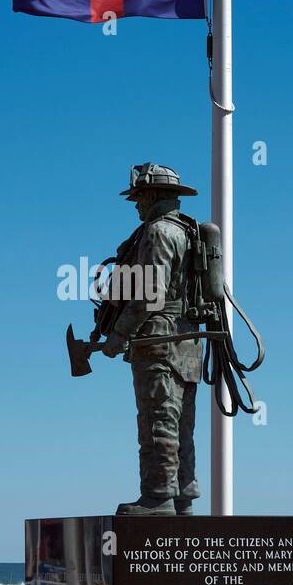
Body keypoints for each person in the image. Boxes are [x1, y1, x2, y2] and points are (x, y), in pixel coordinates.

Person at [101, 163, 202, 517]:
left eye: (140, 197)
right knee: (180, 422)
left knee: (157, 417)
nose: (136, 206)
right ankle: (182, 497)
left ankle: (158, 497)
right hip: (187, 342)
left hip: (158, 340)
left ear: (155, 196)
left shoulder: (159, 232)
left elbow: (149, 294)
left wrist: (118, 335)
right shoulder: (188, 233)